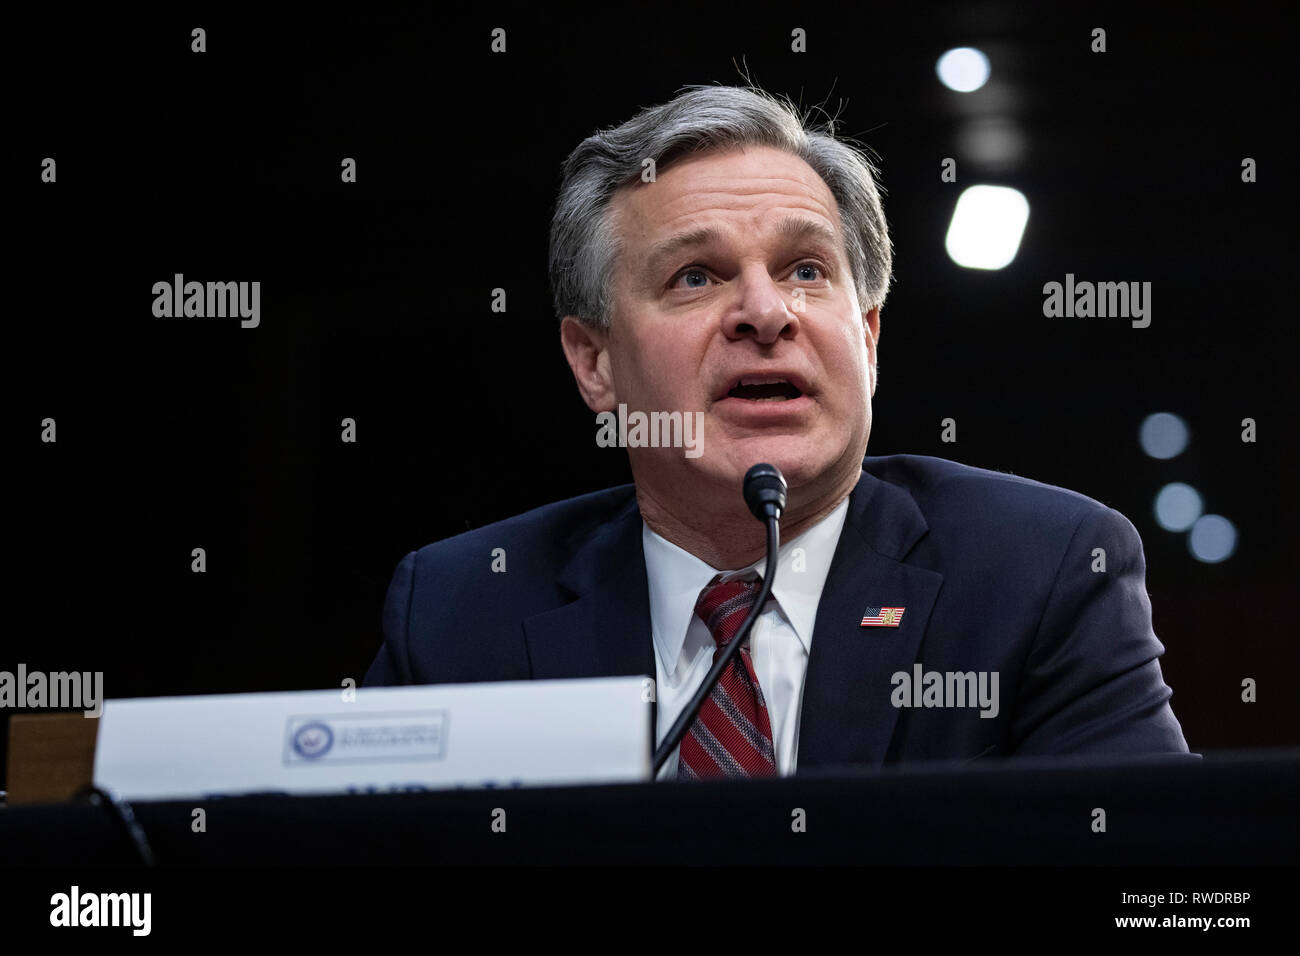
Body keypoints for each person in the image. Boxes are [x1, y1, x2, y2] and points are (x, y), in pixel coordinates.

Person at [364, 84, 1191, 779]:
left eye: (806, 270)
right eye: (695, 276)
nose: (766, 313)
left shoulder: (1039, 573)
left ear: (866, 339)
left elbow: (1166, 891)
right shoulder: (457, 614)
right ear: (595, 363)